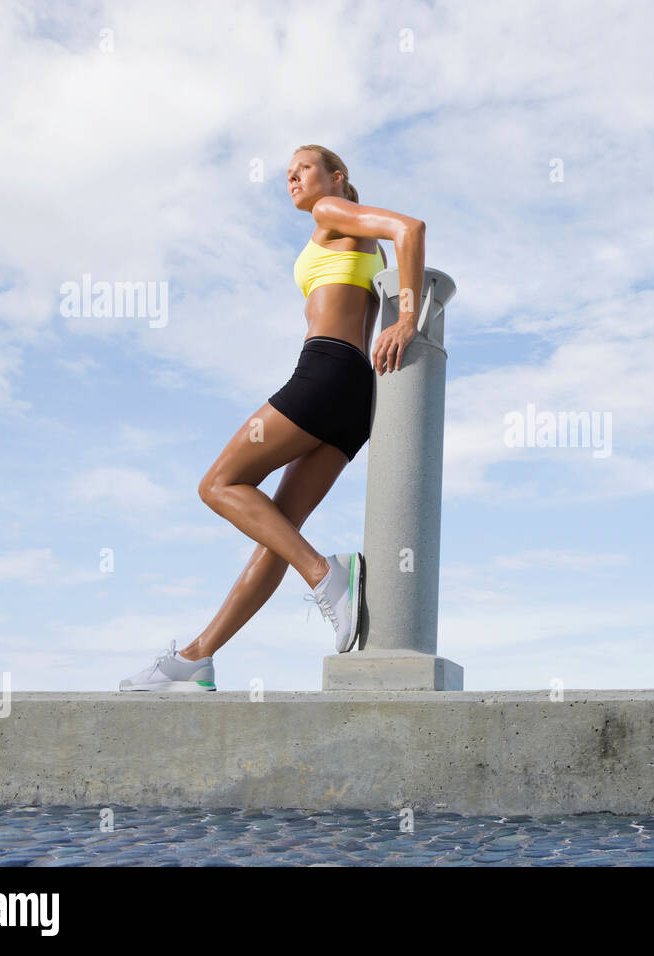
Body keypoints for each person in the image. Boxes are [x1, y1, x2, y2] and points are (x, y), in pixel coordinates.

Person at [119, 144, 427, 691]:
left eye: (302, 169)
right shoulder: (353, 234)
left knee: (218, 485)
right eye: (286, 174)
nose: (291, 179)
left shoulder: (331, 212)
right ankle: (197, 658)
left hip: (326, 372)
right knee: (277, 534)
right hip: (356, 398)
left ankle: (327, 576)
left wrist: (407, 319)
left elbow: (411, 226)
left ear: (336, 176)